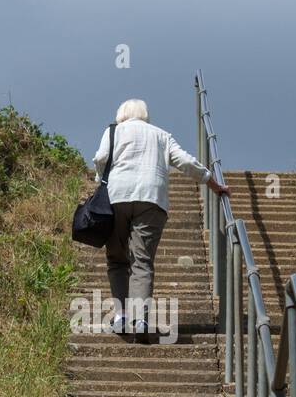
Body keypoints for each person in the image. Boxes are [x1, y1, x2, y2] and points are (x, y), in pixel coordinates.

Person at [93, 98, 228, 335]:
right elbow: (186, 161)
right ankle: (140, 321)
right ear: (145, 114)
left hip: (116, 197)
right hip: (151, 199)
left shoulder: (113, 131)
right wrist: (213, 184)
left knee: (117, 259)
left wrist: (99, 181)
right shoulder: (161, 135)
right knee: (142, 260)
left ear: (121, 114)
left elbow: (101, 158)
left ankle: (122, 316)